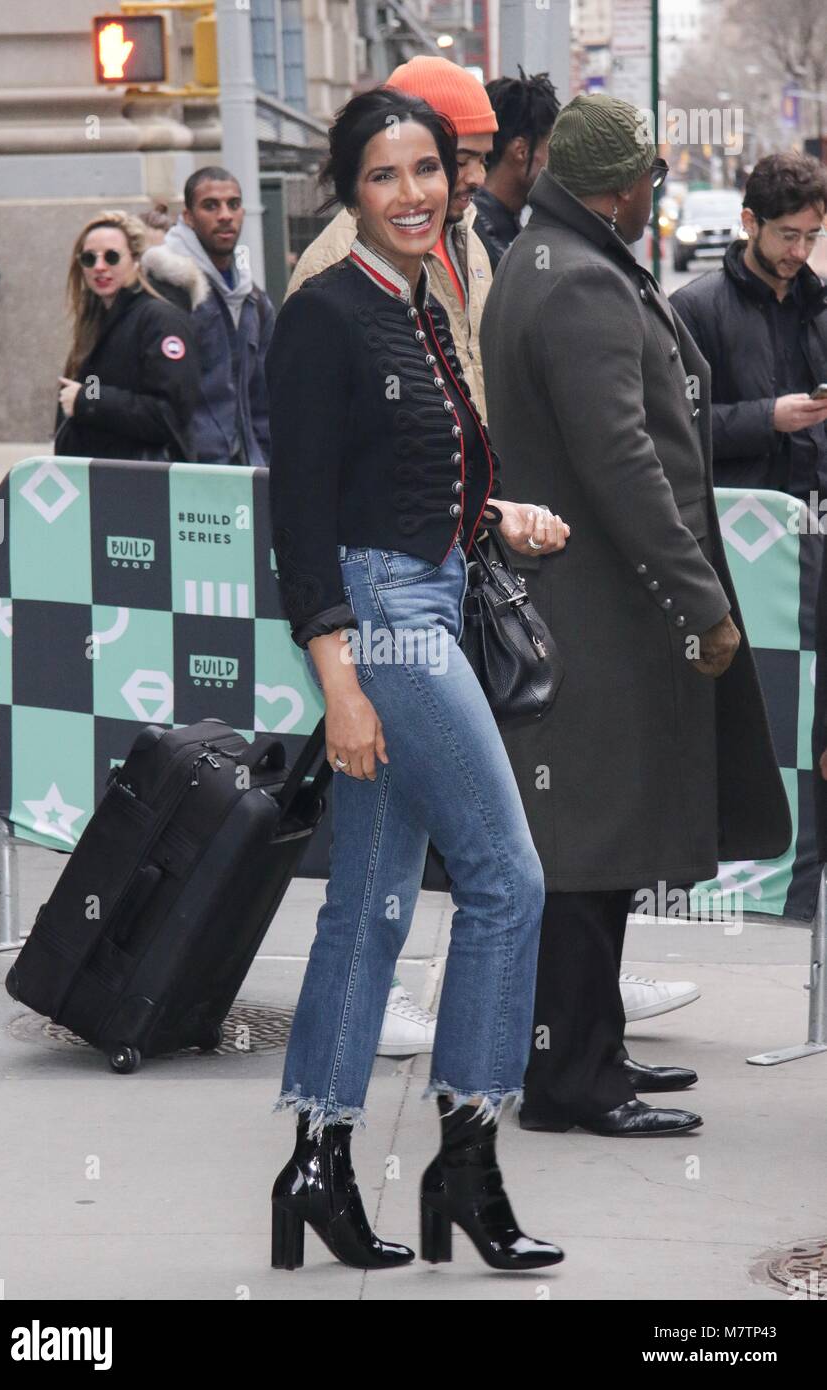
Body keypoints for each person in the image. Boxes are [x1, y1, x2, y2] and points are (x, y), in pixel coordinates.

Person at [267, 86, 570, 1273]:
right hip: (381, 624)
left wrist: (494, 513)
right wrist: (338, 677)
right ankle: (467, 1153)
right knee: (506, 880)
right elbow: (298, 518)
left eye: (428, 170)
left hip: (429, 593)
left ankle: (318, 1161)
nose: (412, 194)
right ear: (350, 190)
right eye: (385, 175)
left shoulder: (425, 307)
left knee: (374, 903)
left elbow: (385, 471)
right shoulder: (327, 313)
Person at [480, 92, 792, 1137]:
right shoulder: (575, 281)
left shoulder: (554, 259)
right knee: (586, 852)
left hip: (589, 601)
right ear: (617, 185)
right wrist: (699, 599)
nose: (656, 189)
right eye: (649, 176)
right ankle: (567, 1080)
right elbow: (624, 463)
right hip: (599, 611)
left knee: (595, 849)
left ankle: (589, 1049)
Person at [286, 56, 495, 418]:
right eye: (462, 160)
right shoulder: (328, 272)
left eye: (484, 159)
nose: (477, 177)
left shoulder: (468, 235)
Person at [670, 152, 827, 503]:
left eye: (812, 236)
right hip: (744, 524)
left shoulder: (820, 304)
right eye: (788, 235)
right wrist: (768, 418)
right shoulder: (693, 308)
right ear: (750, 222)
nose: (800, 252)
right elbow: (678, 428)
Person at [54, 210, 200, 462]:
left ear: (135, 260)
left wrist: (87, 401)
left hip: (143, 481)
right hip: (98, 478)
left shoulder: (161, 319)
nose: (99, 267)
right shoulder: (95, 321)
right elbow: (97, 387)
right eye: (89, 259)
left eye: (111, 257)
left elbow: (169, 415)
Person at [160, 167, 273, 467]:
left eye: (233, 205)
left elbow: (265, 397)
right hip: (185, 474)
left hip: (245, 469)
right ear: (188, 216)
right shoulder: (166, 292)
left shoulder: (254, 300)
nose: (225, 215)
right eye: (211, 205)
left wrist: (265, 458)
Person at [472, 68, 560, 271]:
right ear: (521, 151)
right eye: (552, 148)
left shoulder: (488, 226)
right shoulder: (478, 238)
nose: (557, 163)